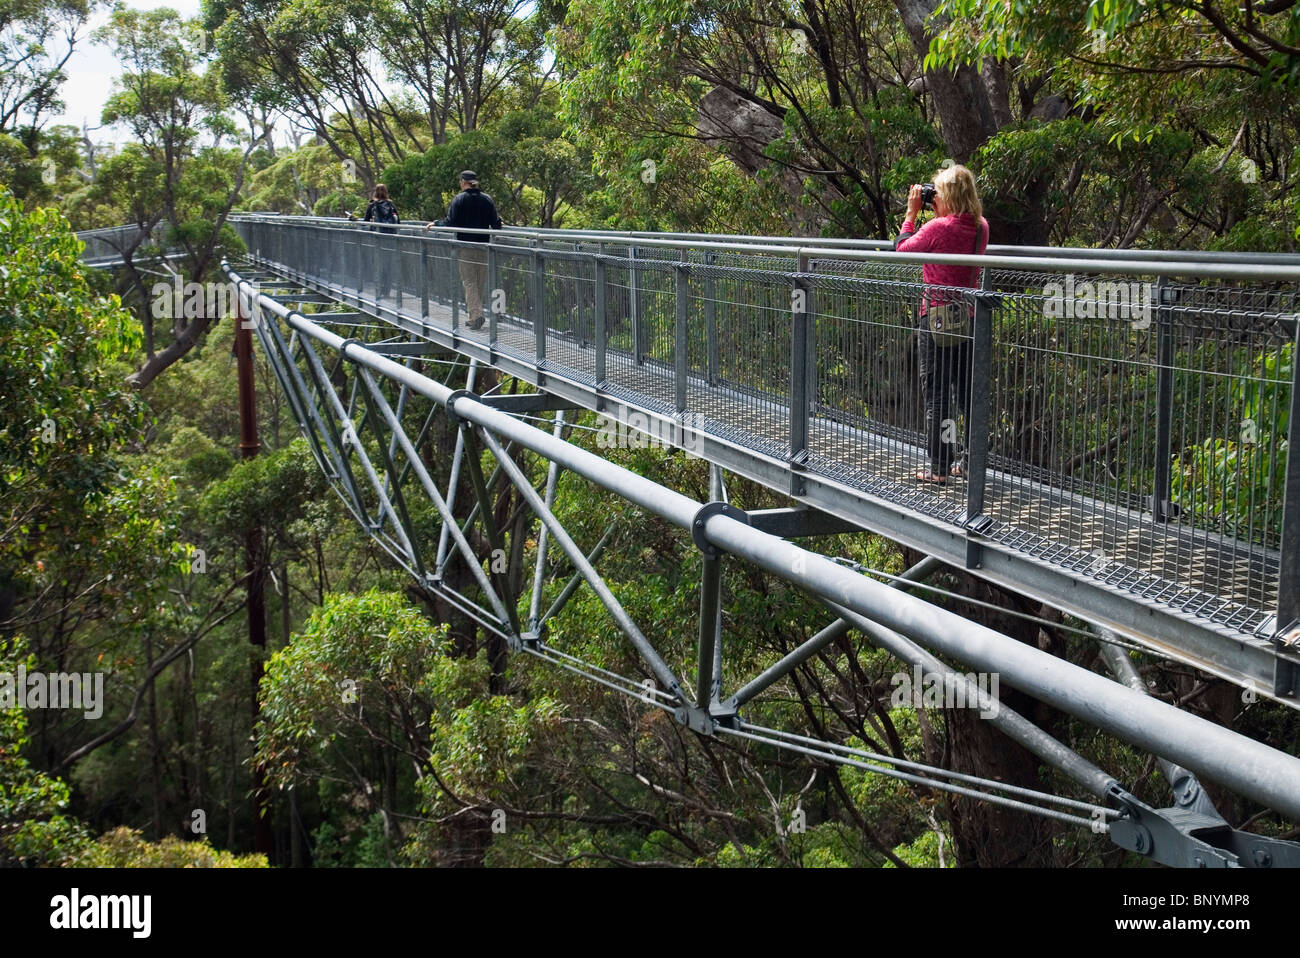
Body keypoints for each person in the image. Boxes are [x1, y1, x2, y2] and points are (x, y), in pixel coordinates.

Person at [894, 164, 989, 485]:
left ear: (947, 196)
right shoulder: (981, 227)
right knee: (965, 393)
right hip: (968, 318)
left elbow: (902, 250)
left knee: (936, 394)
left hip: (935, 318)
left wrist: (911, 213)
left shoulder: (938, 228)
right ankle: (971, 464)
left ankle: (939, 467)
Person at [426, 170, 503, 330]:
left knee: (469, 282)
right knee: (479, 281)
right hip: (483, 246)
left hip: (465, 246)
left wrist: (435, 224)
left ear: (463, 182)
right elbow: (495, 225)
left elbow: (450, 223)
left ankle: (476, 315)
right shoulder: (487, 199)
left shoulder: (459, 199)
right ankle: (474, 315)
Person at [361, 184, 400, 298]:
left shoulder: (372, 205)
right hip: (390, 238)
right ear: (386, 192)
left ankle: (378, 290)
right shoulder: (391, 204)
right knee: (388, 264)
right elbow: (398, 222)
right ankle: (386, 291)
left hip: (377, 239)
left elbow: (365, 222)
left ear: (375, 192)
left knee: (378, 263)